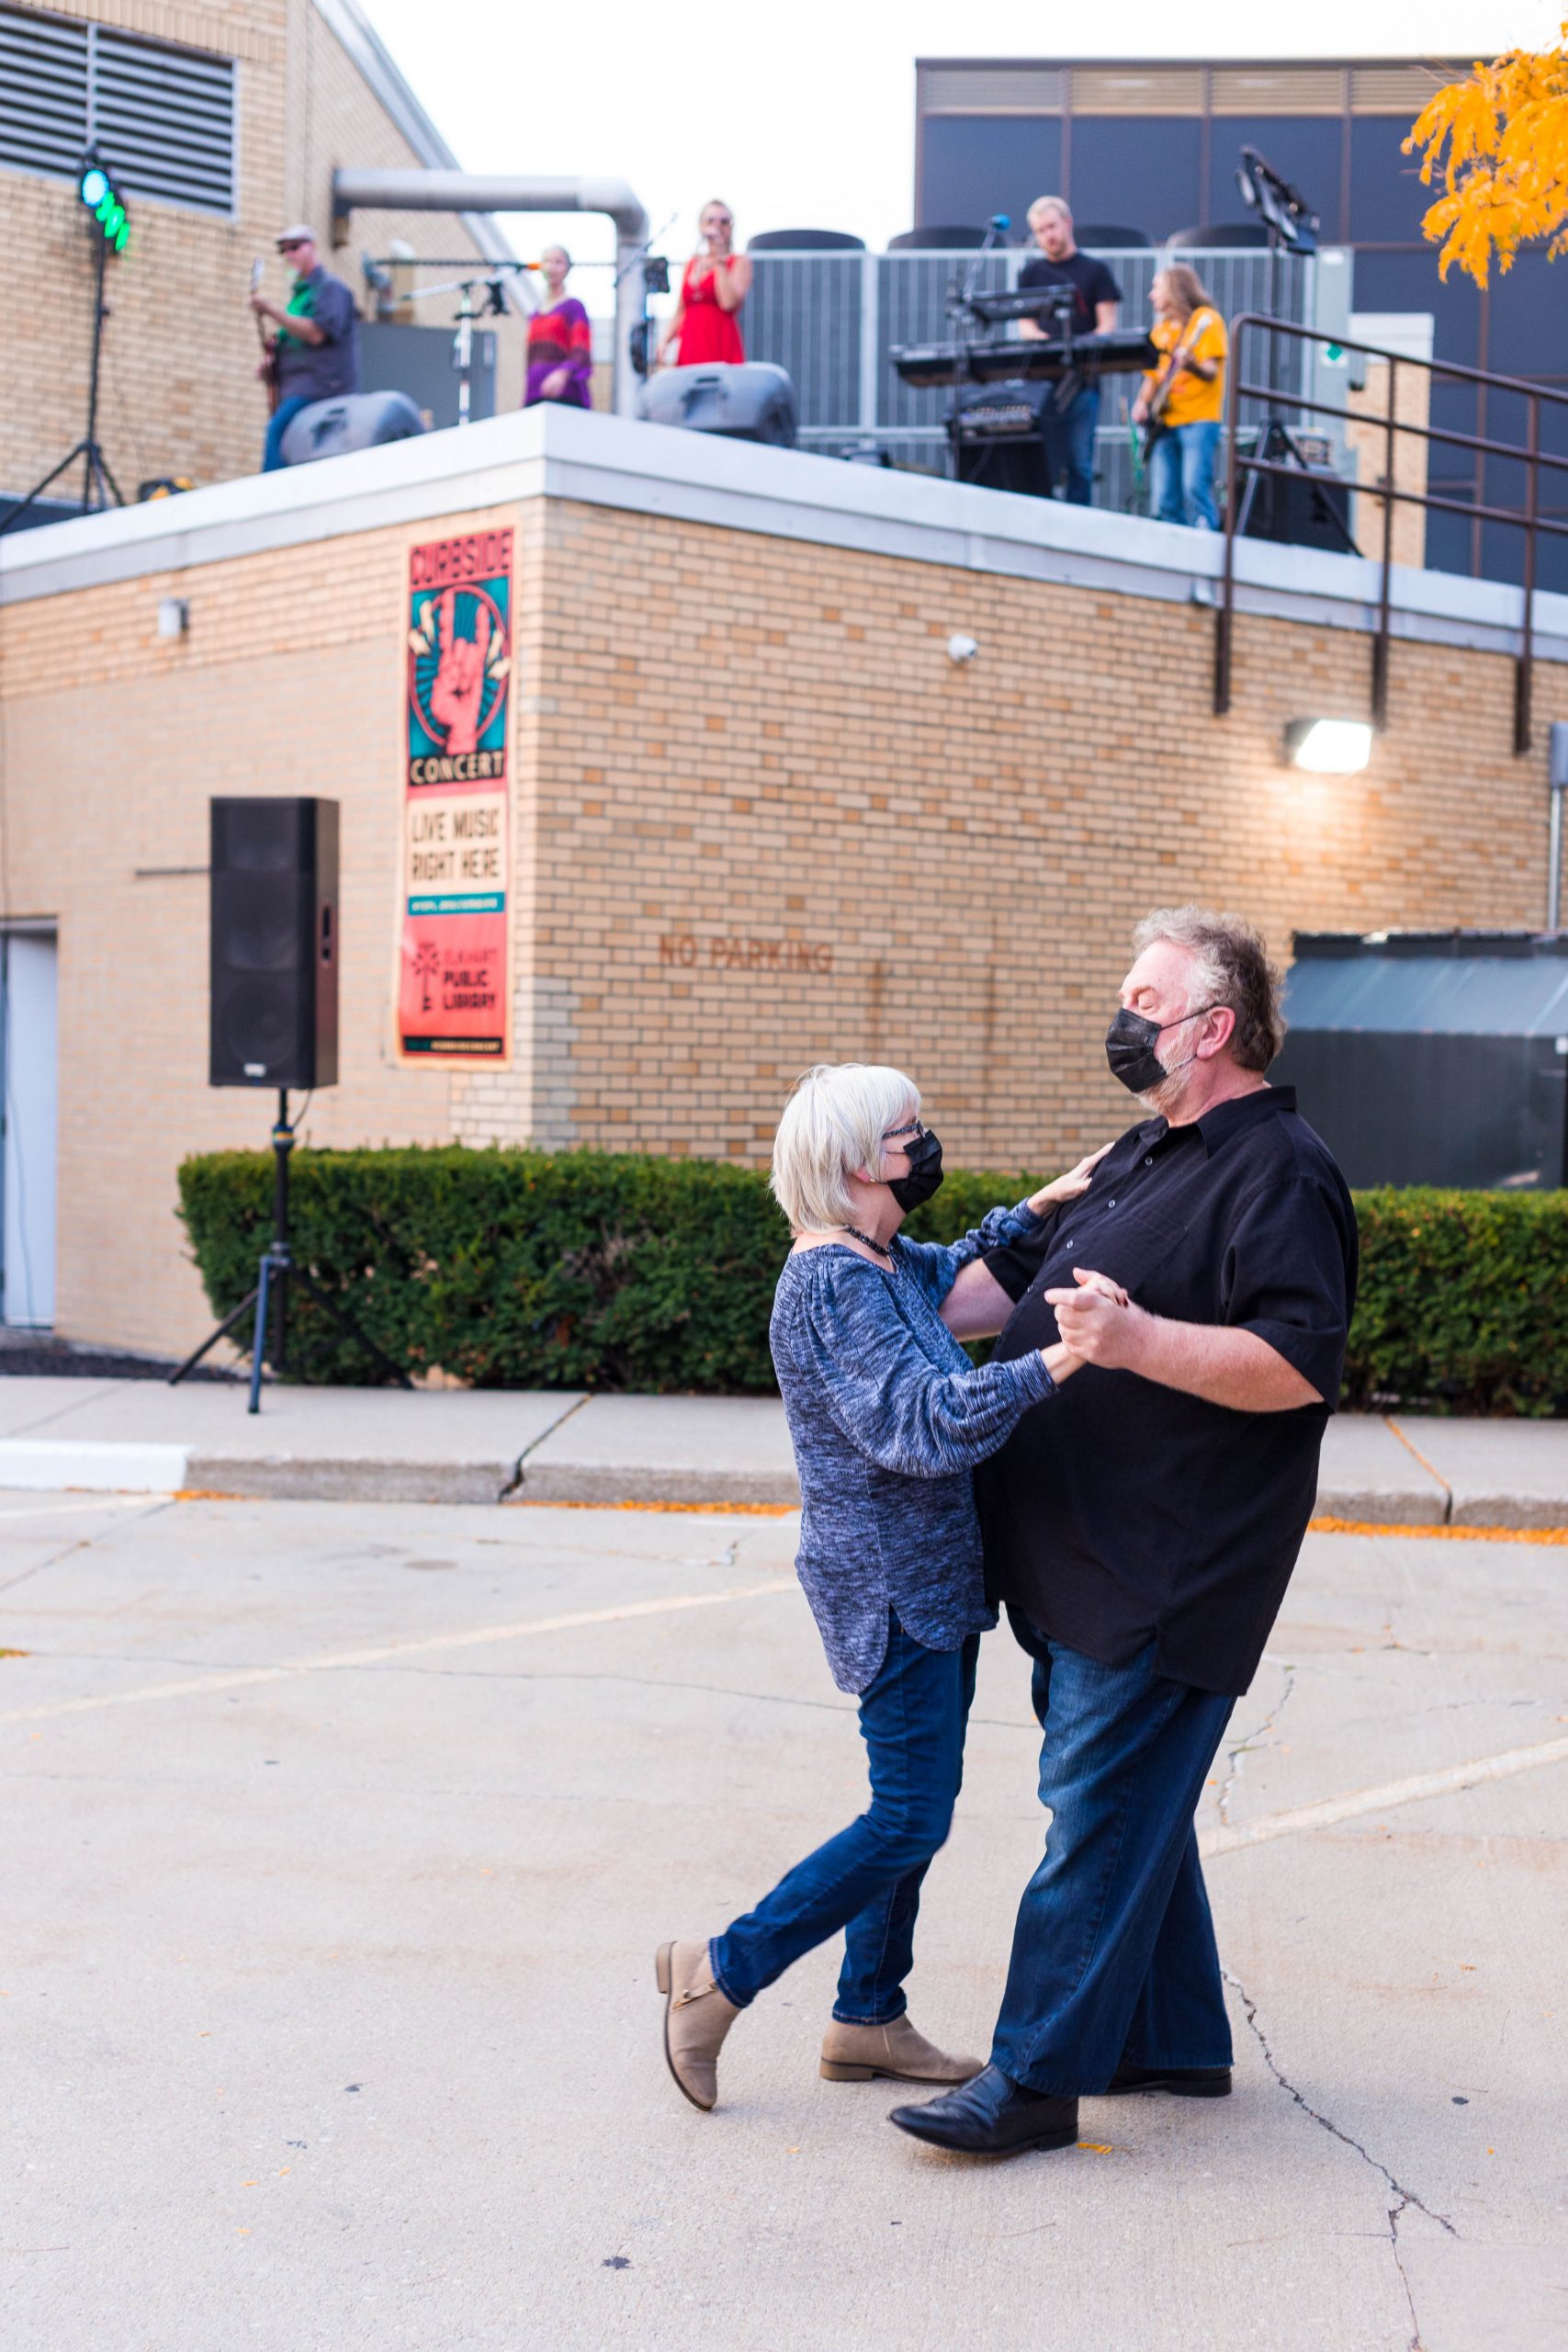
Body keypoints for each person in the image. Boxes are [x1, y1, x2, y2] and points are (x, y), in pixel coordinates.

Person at [888, 908, 1358, 2159]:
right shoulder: (1144, 1150)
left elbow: (1293, 1364)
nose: (1121, 1018)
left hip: (1165, 1571)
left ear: (1211, 1029)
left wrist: (1138, 1342)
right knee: (1126, 1802)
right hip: (1069, 1559)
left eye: (1143, 1002)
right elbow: (992, 1290)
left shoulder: (1281, 1170)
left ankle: (1031, 2081)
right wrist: (861, 1267)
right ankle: (1176, 2039)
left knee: (1091, 1810)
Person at [656, 1064, 1114, 2113]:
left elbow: (944, 1269)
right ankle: (717, 1973)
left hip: (936, 1585)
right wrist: (1058, 1365)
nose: (926, 1144)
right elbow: (922, 1424)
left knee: (913, 1808)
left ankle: (866, 2016)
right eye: (910, 1133)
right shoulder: (827, 1285)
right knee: (908, 1818)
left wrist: (1043, 1205)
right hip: (892, 1594)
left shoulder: (880, 1259)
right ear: (859, 1160)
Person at [1016, 197, 1121, 505]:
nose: (1047, 235)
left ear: (1067, 223)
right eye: (1040, 230)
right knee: (1039, 460)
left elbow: (1107, 327)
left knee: (1080, 464)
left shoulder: (1096, 271)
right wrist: (1044, 343)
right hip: (1041, 382)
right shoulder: (1031, 273)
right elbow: (1025, 326)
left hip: (1082, 382)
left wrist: (1079, 348)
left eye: (1051, 226)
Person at [251, 225, 361, 473]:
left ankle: (272, 492)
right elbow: (292, 340)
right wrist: (271, 366)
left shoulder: (331, 289)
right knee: (286, 438)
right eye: (284, 250)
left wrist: (270, 310)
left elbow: (315, 333)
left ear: (312, 246)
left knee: (277, 432)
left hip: (323, 387)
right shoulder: (299, 298)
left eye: (295, 247)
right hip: (295, 389)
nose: (289, 254)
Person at [1134, 266, 1228, 530]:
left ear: (1175, 290)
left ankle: (1212, 546)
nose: (1151, 295)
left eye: (1157, 288)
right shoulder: (1160, 331)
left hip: (1198, 418)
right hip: (1164, 421)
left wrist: (1192, 365)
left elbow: (1211, 370)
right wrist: (1142, 403)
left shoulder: (1205, 320)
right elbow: (1153, 377)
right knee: (1165, 497)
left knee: (1195, 487)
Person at [655, 199, 752, 368]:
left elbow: (728, 303)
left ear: (731, 227)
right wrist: (666, 340)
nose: (717, 226)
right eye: (711, 220)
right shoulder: (691, 264)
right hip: (691, 345)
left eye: (724, 222)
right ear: (701, 226)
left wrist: (720, 262)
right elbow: (681, 310)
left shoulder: (739, 262)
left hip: (720, 344)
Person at [524, 246, 592, 409]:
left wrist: (562, 374)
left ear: (567, 268)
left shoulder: (574, 307)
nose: (551, 267)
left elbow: (581, 350)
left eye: (558, 262)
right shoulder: (535, 314)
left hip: (565, 394)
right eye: (547, 261)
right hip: (535, 393)